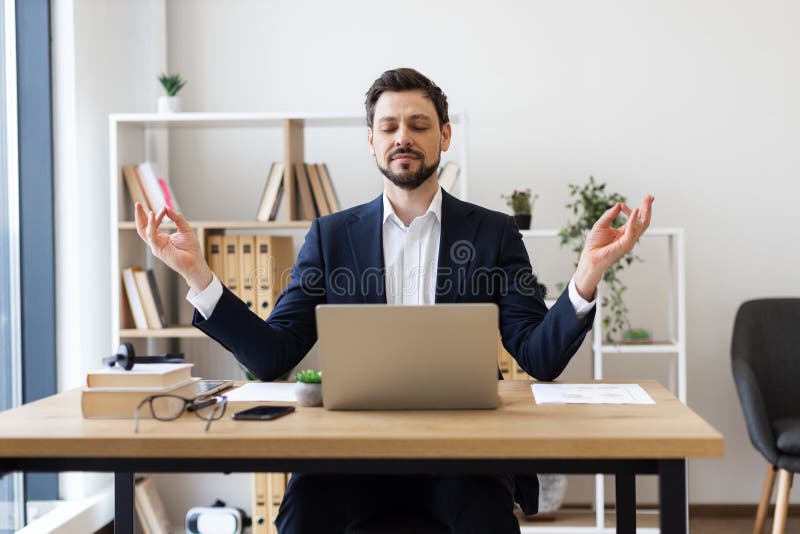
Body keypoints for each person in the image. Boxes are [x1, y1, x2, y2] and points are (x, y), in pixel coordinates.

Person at [135, 68, 653, 534]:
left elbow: (539, 358)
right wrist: (196, 273)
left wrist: (587, 273)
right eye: (389, 126)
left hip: (463, 451)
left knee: (484, 518)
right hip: (351, 452)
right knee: (301, 513)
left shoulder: (493, 233)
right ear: (372, 141)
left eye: (419, 124)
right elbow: (273, 356)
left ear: (444, 136)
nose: (403, 136)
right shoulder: (332, 235)